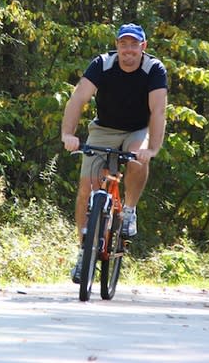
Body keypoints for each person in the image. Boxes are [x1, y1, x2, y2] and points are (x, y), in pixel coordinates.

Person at [61, 23, 168, 282]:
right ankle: (84, 252)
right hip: (104, 129)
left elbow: (158, 112)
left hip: (137, 130)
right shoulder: (102, 64)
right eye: (123, 44)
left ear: (143, 47)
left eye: (134, 45)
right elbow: (78, 99)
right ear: (117, 45)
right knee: (87, 188)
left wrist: (152, 149)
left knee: (138, 159)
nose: (128, 50)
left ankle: (129, 210)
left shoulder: (153, 69)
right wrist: (68, 134)